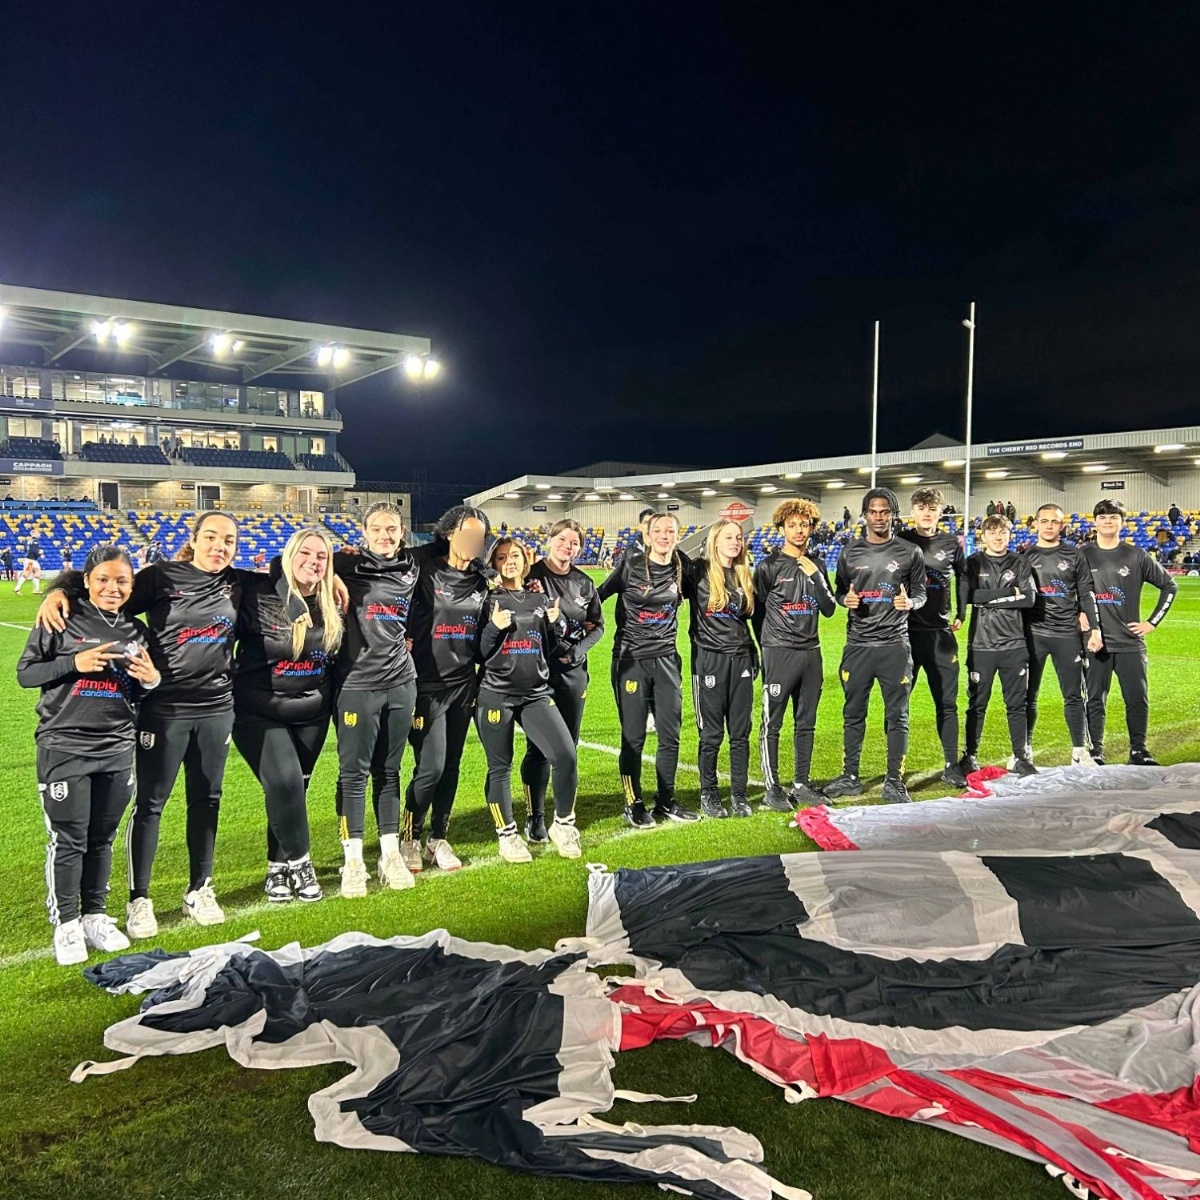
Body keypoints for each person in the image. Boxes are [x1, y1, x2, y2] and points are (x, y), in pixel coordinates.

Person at [34, 512, 246, 939]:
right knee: (151, 803)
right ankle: (139, 899)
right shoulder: (163, 577)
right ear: (194, 539)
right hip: (162, 708)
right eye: (210, 537)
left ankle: (200, 888)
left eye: (227, 540)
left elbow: (292, 576)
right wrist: (59, 591)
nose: (218, 546)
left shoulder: (239, 582)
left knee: (208, 799)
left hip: (217, 708)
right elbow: (108, 592)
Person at [17, 546, 161, 965]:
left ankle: (96, 917)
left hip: (117, 746)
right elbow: (26, 673)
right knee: (69, 839)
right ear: (87, 581)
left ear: (131, 586)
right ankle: (66, 923)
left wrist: (151, 680)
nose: (112, 587)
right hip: (65, 745)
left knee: (102, 838)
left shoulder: (137, 631)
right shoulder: (59, 618)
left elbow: (137, 691)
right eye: (103, 579)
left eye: (121, 581)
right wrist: (73, 662)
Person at [233, 527, 343, 903]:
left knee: (291, 792)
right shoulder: (257, 591)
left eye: (321, 557)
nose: (313, 562)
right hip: (259, 712)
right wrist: (66, 591)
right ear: (289, 555)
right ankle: (301, 862)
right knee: (285, 783)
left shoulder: (332, 600)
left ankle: (276, 869)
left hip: (312, 713)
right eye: (305, 554)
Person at [331, 502, 420, 896]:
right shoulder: (346, 564)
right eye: (377, 529)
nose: (385, 536)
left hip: (402, 682)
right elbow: (289, 565)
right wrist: (333, 564)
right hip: (356, 684)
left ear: (402, 532)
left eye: (392, 529)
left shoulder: (412, 566)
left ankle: (389, 854)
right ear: (363, 533)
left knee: (390, 771)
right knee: (354, 774)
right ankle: (352, 861)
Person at [401, 505, 495, 873]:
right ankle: (409, 836)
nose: (474, 542)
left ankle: (438, 838)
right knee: (431, 766)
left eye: (480, 537)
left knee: (451, 765)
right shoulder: (424, 568)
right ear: (449, 533)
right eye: (468, 533)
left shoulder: (480, 580)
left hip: (463, 684)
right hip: (426, 686)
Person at [476, 538, 580, 861]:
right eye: (503, 557)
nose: (510, 561)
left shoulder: (539, 598)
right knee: (500, 766)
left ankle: (563, 824)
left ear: (526, 561)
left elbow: (548, 647)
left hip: (536, 693)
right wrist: (493, 627)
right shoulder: (487, 600)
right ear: (494, 563)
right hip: (496, 693)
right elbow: (479, 652)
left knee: (565, 755)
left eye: (515, 556)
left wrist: (555, 623)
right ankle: (507, 834)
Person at [824, 488, 926, 804]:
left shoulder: (911, 553)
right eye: (873, 511)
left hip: (895, 646)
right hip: (858, 647)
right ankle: (850, 777)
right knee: (853, 714)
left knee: (898, 716)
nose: (879, 517)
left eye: (885, 511)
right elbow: (840, 591)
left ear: (893, 515)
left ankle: (894, 782)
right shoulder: (849, 553)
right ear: (865, 515)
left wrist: (910, 602)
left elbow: (921, 594)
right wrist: (846, 599)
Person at [598, 512, 698, 827]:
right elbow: (595, 597)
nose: (664, 535)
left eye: (670, 530)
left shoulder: (683, 570)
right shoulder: (630, 566)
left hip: (667, 661)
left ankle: (666, 801)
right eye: (658, 530)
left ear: (677, 535)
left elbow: (706, 601)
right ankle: (633, 802)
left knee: (670, 734)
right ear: (648, 534)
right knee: (634, 737)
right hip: (631, 661)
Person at [521, 519, 604, 842]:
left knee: (568, 748)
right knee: (539, 748)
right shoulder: (531, 575)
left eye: (574, 543)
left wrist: (579, 652)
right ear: (550, 540)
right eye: (563, 539)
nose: (567, 546)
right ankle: (535, 816)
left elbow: (597, 625)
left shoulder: (584, 583)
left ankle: (563, 816)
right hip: (537, 673)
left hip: (572, 675)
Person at [1081, 499, 1178, 766]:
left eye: (1114, 517)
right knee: (1095, 698)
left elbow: (1170, 587)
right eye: (1103, 517)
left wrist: (1152, 622)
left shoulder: (1136, 556)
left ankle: (1138, 749)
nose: (1108, 521)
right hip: (1095, 641)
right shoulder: (1084, 555)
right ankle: (1095, 750)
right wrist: (1079, 614)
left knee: (1136, 698)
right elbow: (1073, 592)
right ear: (1095, 522)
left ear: (1123, 522)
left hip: (1130, 643)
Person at [753, 499, 836, 811]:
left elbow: (829, 609)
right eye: (792, 525)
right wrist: (769, 647)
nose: (799, 530)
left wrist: (815, 576)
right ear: (781, 529)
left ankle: (801, 783)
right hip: (779, 654)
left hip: (811, 654)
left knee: (806, 722)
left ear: (812, 527)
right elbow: (757, 613)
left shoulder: (816, 564)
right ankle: (772, 788)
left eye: (804, 525)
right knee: (772, 723)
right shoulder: (768, 567)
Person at [685, 518, 757, 818]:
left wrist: (754, 655)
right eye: (728, 536)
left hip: (740, 660)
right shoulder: (698, 572)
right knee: (712, 734)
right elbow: (675, 554)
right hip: (709, 661)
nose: (735, 542)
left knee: (740, 733)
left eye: (739, 537)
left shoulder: (744, 575)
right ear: (714, 540)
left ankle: (739, 796)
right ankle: (709, 795)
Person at [898, 487, 968, 787]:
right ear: (913, 512)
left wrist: (961, 612)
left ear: (940, 513)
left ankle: (952, 764)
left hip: (940, 636)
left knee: (947, 703)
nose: (927, 513)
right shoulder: (901, 541)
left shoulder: (952, 543)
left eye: (933, 508)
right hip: (906, 635)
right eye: (921, 507)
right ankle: (894, 771)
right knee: (898, 705)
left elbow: (964, 577)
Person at [1022, 503, 1102, 766]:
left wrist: (1093, 627)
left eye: (1054, 521)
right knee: (1027, 695)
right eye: (1043, 521)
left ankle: (1080, 750)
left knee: (1073, 694)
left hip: (1066, 634)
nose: (1048, 526)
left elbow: (1086, 594)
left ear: (1062, 525)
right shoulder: (1024, 557)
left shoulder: (1075, 555)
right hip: (1033, 634)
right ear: (1035, 523)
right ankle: (1024, 750)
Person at [960, 515, 1037, 777]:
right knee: (977, 704)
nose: (998, 537)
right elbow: (971, 596)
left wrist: (989, 600)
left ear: (1009, 535)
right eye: (992, 532)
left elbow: (1029, 599)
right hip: (981, 645)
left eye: (1003, 532)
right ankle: (969, 756)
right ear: (983, 535)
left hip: (1014, 644)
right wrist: (1008, 593)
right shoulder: (973, 563)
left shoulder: (1020, 562)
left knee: (1017, 704)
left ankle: (1020, 756)